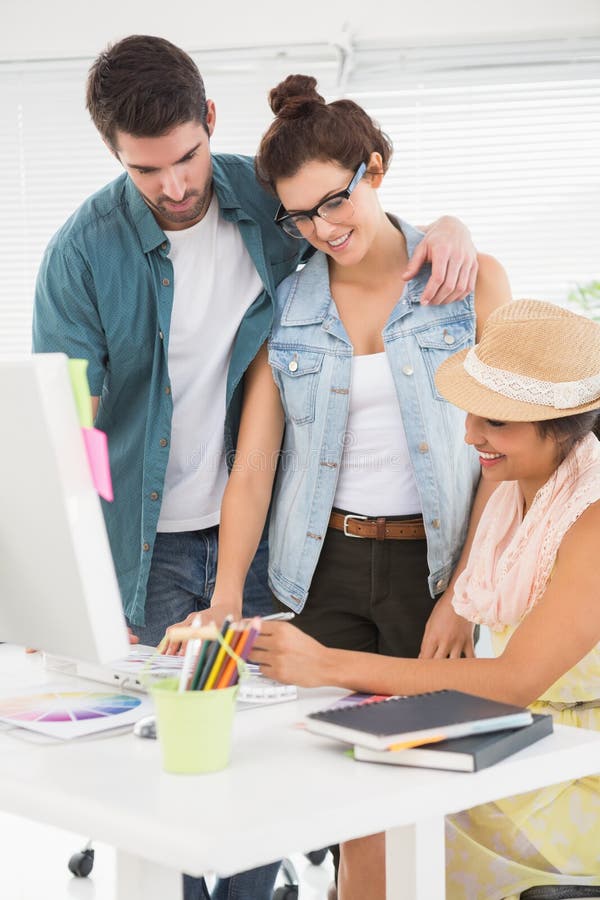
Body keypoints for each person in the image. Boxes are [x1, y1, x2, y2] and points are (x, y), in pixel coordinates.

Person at [31, 37, 478, 900]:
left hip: (273, 541)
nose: (174, 186)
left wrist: (450, 230)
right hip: (150, 550)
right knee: (175, 779)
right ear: (114, 155)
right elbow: (66, 428)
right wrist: (72, 580)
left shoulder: (267, 198)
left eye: (187, 158)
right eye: (146, 170)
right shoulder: (80, 257)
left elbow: (361, 228)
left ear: (209, 119)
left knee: (268, 781)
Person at [249, 299, 600, 900]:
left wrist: (328, 664)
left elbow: (515, 679)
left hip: (573, 772)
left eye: (495, 423)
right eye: (472, 415)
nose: (470, 436)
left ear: (562, 425)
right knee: (362, 805)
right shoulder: (520, 488)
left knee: (377, 824)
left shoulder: (589, 520)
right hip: (525, 736)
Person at [166, 73, 509, 671]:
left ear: (373, 170)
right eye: (299, 217)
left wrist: (465, 592)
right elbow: (252, 469)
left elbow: (507, 458)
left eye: (335, 200)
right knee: (319, 746)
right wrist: (225, 597)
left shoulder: (471, 282)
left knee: (425, 742)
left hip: (437, 568)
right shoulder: (285, 308)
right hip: (316, 571)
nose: (324, 229)